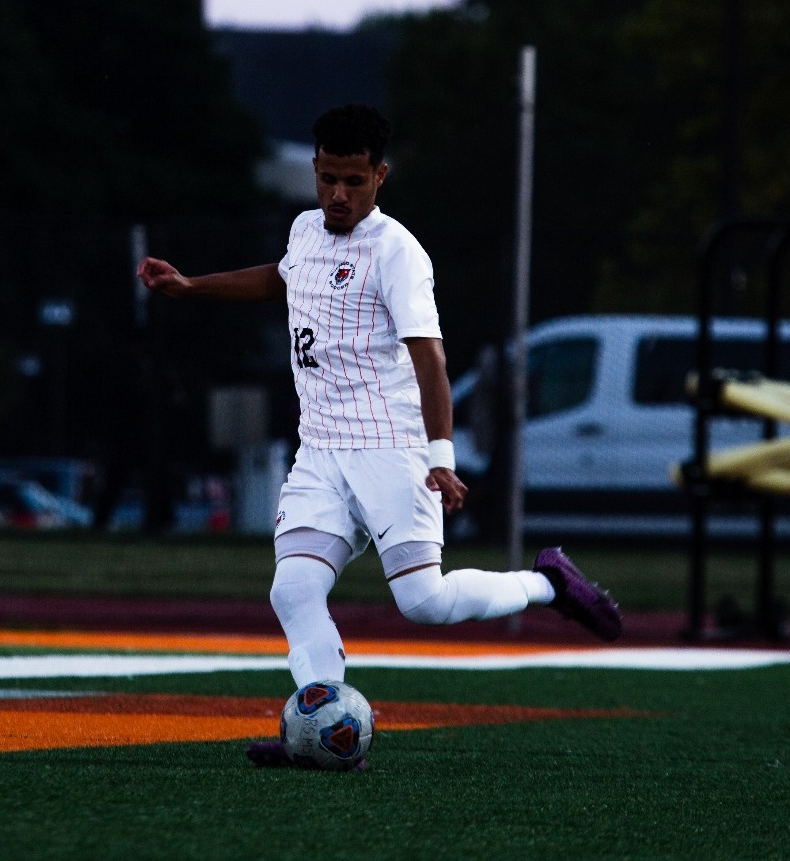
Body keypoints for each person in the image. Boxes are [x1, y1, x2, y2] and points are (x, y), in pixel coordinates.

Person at [137, 104, 621, 769]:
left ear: (379, 176)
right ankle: (322, 727)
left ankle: (547, 583)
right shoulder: (305, 229)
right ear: (314, 170)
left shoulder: (397, 253)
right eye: (329, 178)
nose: (338, 194)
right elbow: (281, 279)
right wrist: (191, 286)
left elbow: (430, 359)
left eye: (354, 181)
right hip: (320, 450)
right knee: (293, 589)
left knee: (422, 601)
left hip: (391, 450)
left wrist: (440, 457)